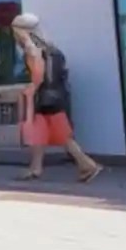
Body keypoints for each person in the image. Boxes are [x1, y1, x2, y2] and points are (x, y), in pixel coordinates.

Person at [12, 13, 103, 182]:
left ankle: (88, 164)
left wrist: (31, 88)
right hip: (57, 95)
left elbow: (38, 75)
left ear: (20, 31)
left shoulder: (32, 49)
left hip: (44, 96)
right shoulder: (53, 49)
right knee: (40, 132)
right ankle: (36, 168)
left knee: (61, 135)